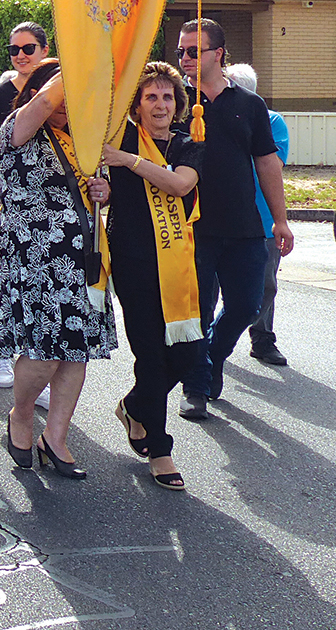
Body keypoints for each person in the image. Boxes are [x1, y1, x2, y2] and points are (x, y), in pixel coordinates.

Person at [0, 60, 114, 477]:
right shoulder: (18, 127)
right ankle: (21, 414)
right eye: (67, 93)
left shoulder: (83, 138)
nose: (69, 103)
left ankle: (57, 436)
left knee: (74, 350)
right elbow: (47, 99)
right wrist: (85, 54)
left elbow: (94, 193)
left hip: (83, 256)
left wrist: (104, 191)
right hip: (35, 257)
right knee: (44, 352)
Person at [176, 19, 293, 420]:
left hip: (244, 225)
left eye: (194, 51)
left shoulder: (250, 104)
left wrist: (281, 220)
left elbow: (267, 163)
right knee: (197, 309)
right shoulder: (173, 101)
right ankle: (196, 386)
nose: (186, 59)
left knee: (248, 303)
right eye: (181, 52)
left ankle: (213, 354)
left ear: (218, 54)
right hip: (191, 226)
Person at [101, 62, 205, 491]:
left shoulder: (188, 144)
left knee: (187, 357)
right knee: (151, 352)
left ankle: (134, 404)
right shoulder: (118, 137)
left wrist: (129, 162)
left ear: (178, 103)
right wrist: (104, 185)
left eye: (167, 96)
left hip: (179, 264)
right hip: (133, 260)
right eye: (150, 97)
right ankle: (161, 451)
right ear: (137, 106)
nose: (160, 104)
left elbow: (180, 186)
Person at [0, 22, 51, 392]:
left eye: (28, 48)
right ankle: (3, 350)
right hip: (10, 190)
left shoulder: (59, 88)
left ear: (44, 48)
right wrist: (20, 135)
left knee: (48, 282)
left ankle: (41, 360)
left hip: (54, 192)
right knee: (8, 276)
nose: (20, 55)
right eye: (14, 49)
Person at [223, 63, 292, 368]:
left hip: (261, 220)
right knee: (210, 289)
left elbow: (270, 164)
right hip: (216, 219)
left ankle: (262, 339)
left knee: (264, 286)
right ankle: (212, 345)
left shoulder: (271, 120)